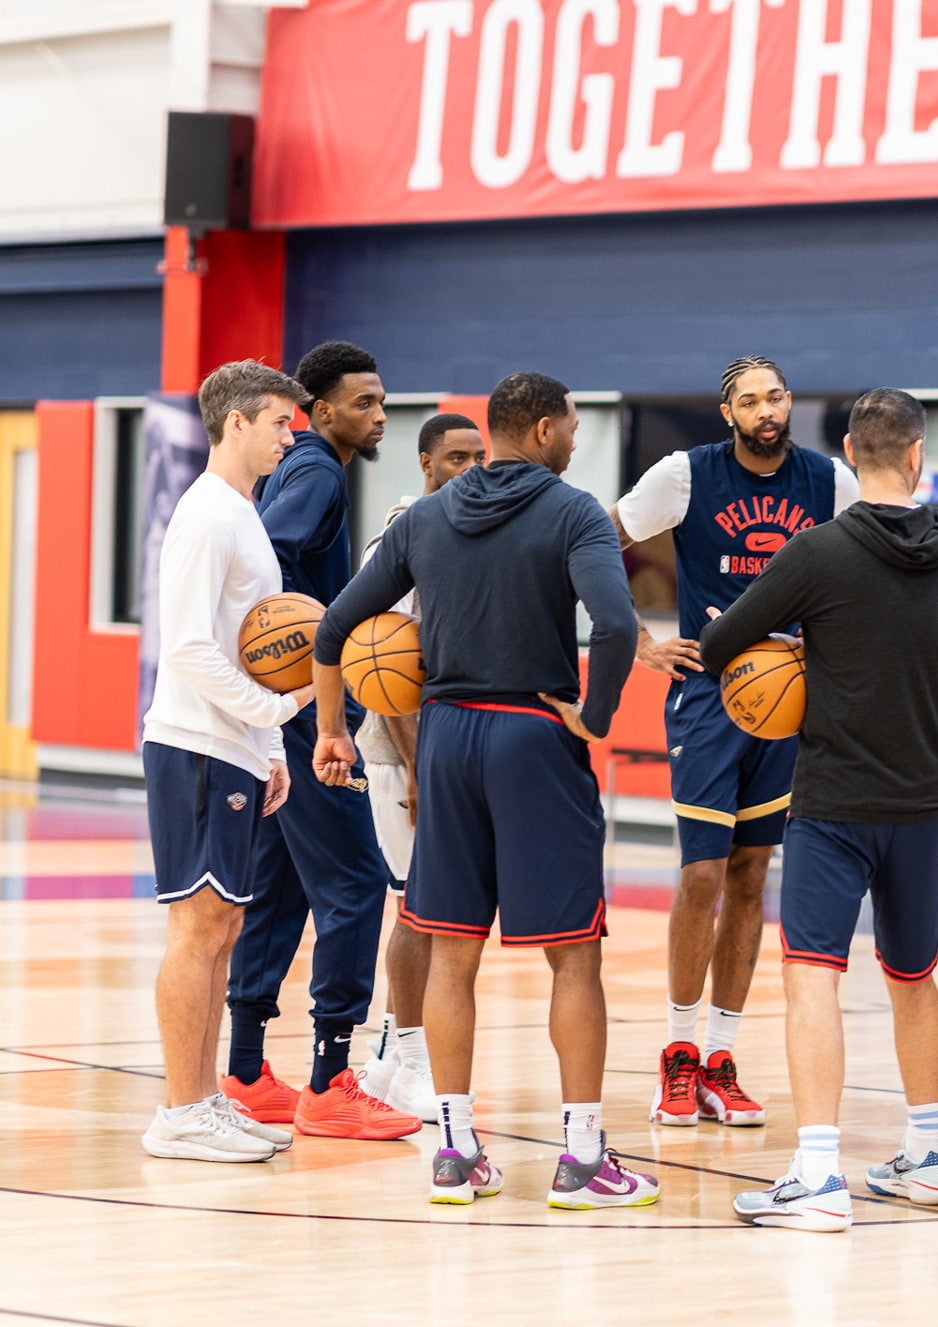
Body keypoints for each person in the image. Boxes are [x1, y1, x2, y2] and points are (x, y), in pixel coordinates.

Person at [312, 372, 657, 1209]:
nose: (576, 438)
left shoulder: (425, 515)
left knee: (451, 948)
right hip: (532, 732)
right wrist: (596, 715)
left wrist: (330, 731)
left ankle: (457, 1150)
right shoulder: (574, 510)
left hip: (446, 738)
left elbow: (332, 627)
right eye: (572, 424)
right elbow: (613, 624)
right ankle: (581, 1158)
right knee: (573, 953)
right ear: (541, 429)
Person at [702, 388, 938, 1234]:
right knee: (913, 973)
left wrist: (788, 648)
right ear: (919, 458)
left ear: (852, 458)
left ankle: (818, 1171)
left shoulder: (818, 551)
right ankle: (927, 1155)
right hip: (926, 795)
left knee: (813, 975)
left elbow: (718, 645)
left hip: (834, 798)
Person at [611, 355, 859, 1128]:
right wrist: (638, 641)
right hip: (710, 698)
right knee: (702, 876)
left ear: (789, 403)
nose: (765, 409)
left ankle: (721, 1058)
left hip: (788, 703)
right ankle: (678, 1053)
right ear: (727, 413)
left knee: (753, 876)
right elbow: (596, 539)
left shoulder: (829, 481)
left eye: (775, 396)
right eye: (749, 399)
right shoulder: (686, 474)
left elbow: (861, 571)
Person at [220, 340, 417, 1141]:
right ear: (320, 410)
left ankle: (242, 1070)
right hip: (304, 711)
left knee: (282, 887)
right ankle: (332, 1080)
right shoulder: (319, 470)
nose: (377, 414)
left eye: (380, 401)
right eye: (363, 403)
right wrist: (299, 639)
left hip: (286, 710)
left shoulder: (306, 466)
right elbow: (265, 551)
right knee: (360, 883)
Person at [139, 360, 312, 1162]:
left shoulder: (241, 511)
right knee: (199, 926)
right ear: (235, 422)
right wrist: (274, 714)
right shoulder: (207, 514)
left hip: (232, 745)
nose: (291, 434)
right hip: (196, 745)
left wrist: (268, 745)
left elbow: (254, 649)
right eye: (280, 421)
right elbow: (189, 648)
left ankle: (203, 1099)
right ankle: (177, 1112)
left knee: (225, 924)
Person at [356, 413, 485, 1125]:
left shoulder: (471, 531)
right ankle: (407, 1061)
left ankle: (384, 1057)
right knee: (419, 906)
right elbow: (386, 668)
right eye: (454, 457)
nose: (468, 467)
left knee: (440, 912)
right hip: (403, 754)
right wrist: (416, 770)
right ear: (426, 464)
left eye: (478, 456)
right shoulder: (409, 533)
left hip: (452, 749)